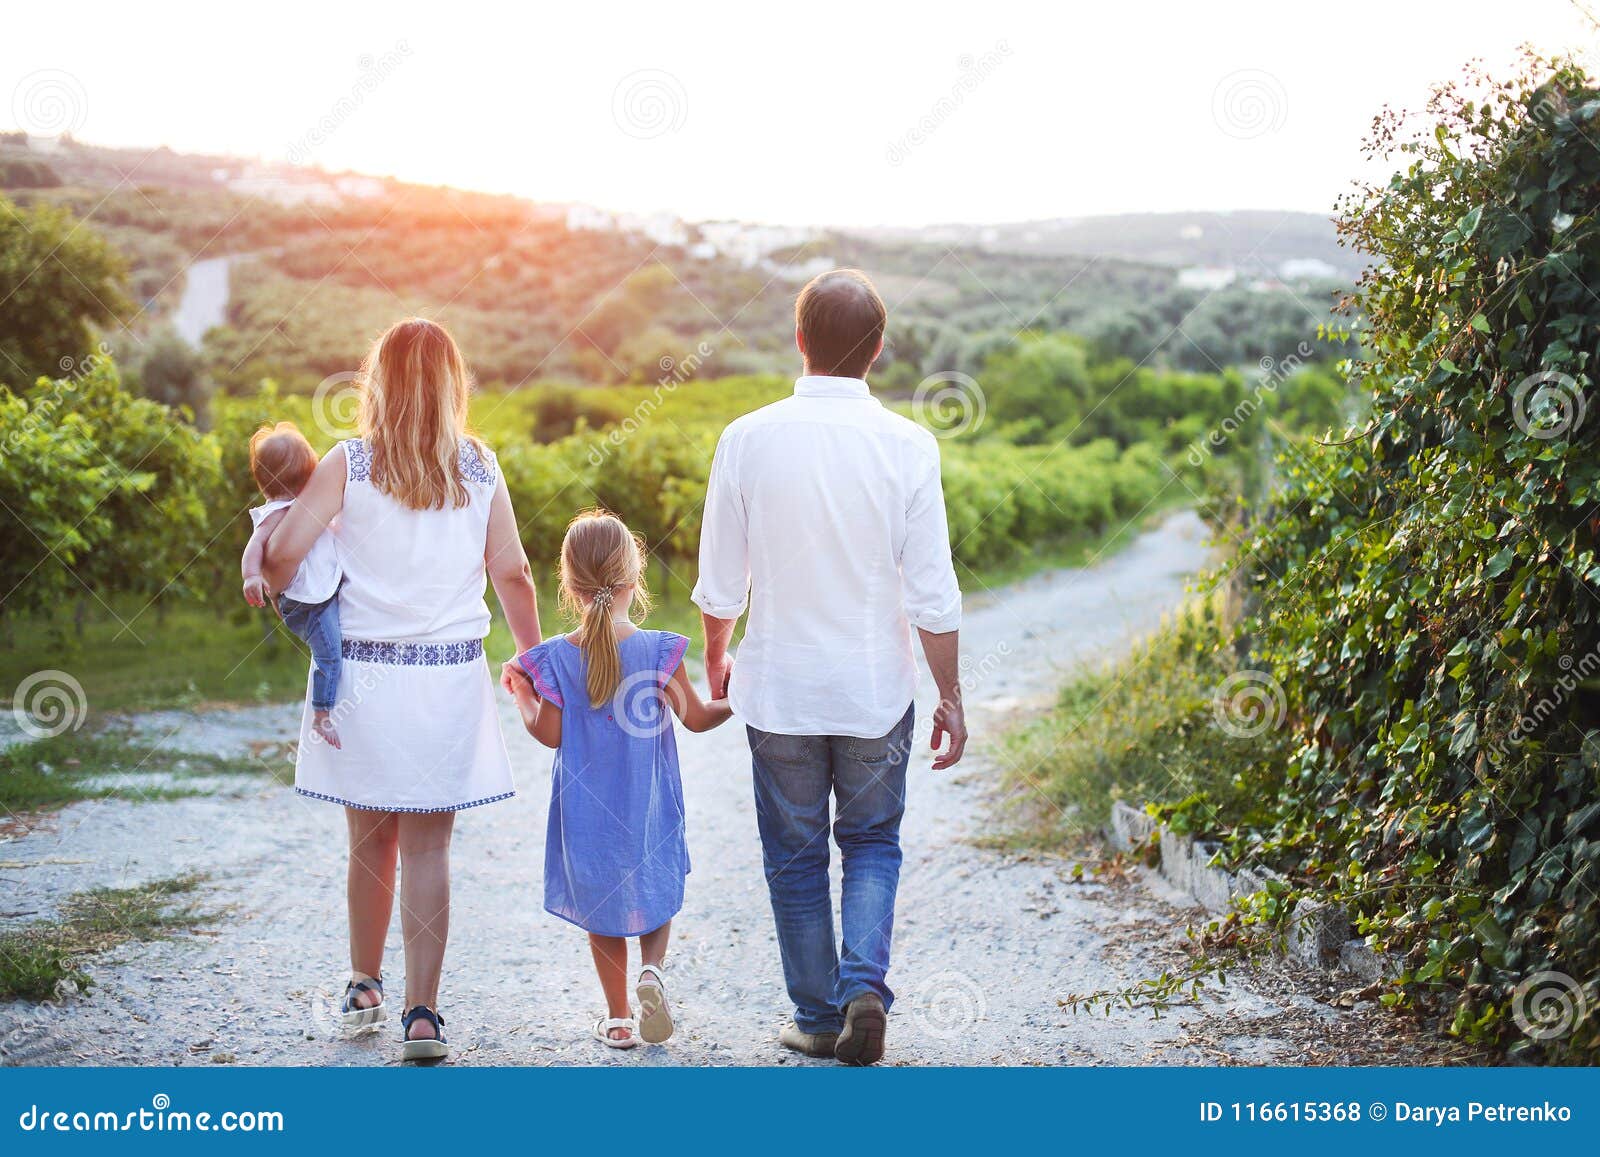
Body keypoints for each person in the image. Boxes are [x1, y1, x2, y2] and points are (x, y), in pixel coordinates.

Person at [692, 268, 966, 1065]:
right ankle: (864, 990)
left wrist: (718, 656)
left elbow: (718, 580)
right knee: (874, 842)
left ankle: (816, 1015)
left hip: (778, 690)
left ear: (800, 340)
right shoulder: (911, 446)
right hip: (876, 691)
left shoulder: (746, 437)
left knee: (796, 854)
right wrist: (950, 695)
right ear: (877, 350)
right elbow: (934, 594)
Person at [262, 317, 542, 1062]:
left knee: (369, 842)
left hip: (363, 678)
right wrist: (533, 659)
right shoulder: (479, 467)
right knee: (428, 848)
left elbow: (288, 554)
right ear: (454, 386)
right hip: (447, 677)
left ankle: (363, 984)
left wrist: (269, 551)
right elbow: (511, 570)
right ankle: (423, 1015)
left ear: (376, 382)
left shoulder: (348, 464)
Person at [504, 511, 731, 1048]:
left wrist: (521, 695)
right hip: (648, 805)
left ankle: (620, 1017)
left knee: (602, 910)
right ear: (635, 577)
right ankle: (652, 971)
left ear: (568, 583)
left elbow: (549, 734)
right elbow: (696, 719)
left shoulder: (558, 657)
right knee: (654, 888)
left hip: (587, 817)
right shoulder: (658, 650)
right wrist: (736, 698)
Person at [241, 421, 345, 748]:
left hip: (313, 597)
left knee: (332, 651)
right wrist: (251, 576)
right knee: (330, 657)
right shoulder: (279, 511)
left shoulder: (304, 508)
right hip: (307, 603)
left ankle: (325, 710)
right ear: (307, 473)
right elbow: (255, 545)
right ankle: (322, 714)